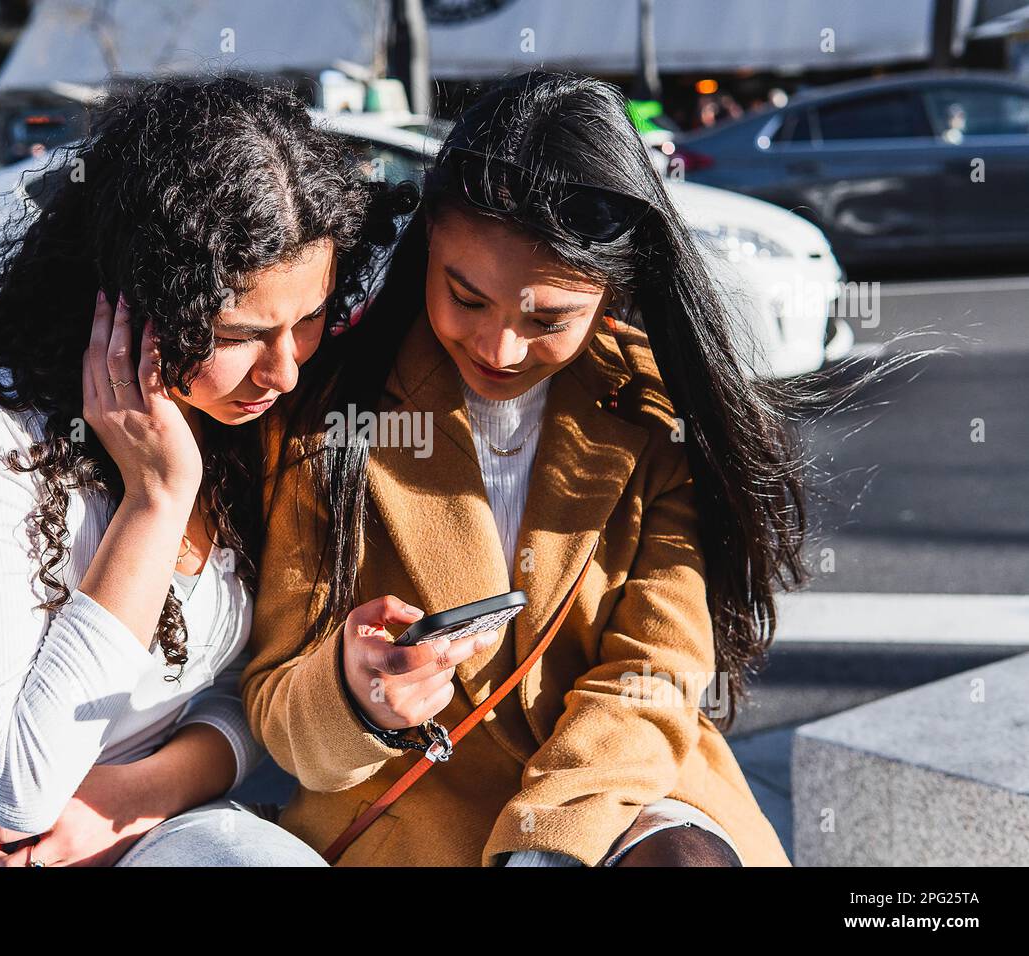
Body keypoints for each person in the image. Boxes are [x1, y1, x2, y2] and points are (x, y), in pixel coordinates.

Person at [0, 75, 404, 867]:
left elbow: (250, 689)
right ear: (141, 299)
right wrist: (156, 500)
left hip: (141, 814)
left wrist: (133, 798)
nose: (282, 370)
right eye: (240, 333)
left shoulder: (241, 417)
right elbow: (15, 787)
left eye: (310, 318)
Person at [244, 71, 811, 867]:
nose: (499, 349)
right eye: (466, 297)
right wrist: (358, 690)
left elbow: (655, 671)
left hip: (624, 782)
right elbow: (276, 701)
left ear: (611, 294)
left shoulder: (653, 408)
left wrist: (548, 840)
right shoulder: (334, 409)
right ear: (430, 237)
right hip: (413, 811)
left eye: (549, 319)